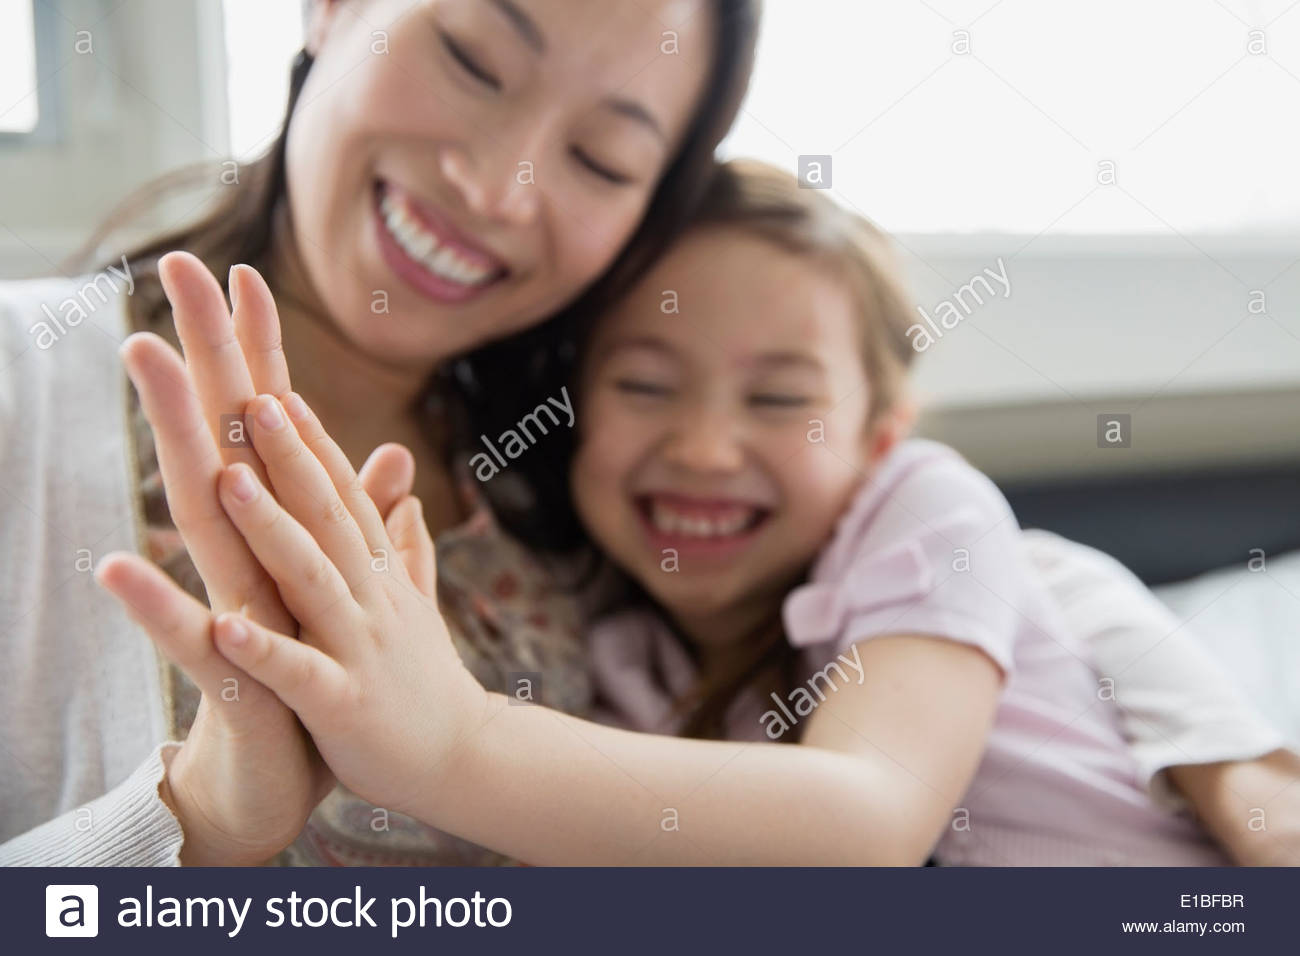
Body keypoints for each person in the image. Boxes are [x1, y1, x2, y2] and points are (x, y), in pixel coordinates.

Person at [104, 160, 1299, 865]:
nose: (707, 446)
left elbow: (867, 820)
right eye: (642, 384)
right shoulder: (614, 667)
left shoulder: (925, 513)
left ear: (880, 437)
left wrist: (455, 741)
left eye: (779, 395)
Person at [0, 0, 761, 866]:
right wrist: (198, 821)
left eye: (601, 158)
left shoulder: (599, 500)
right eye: (473, 62)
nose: (497, 191)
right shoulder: (21, 385)